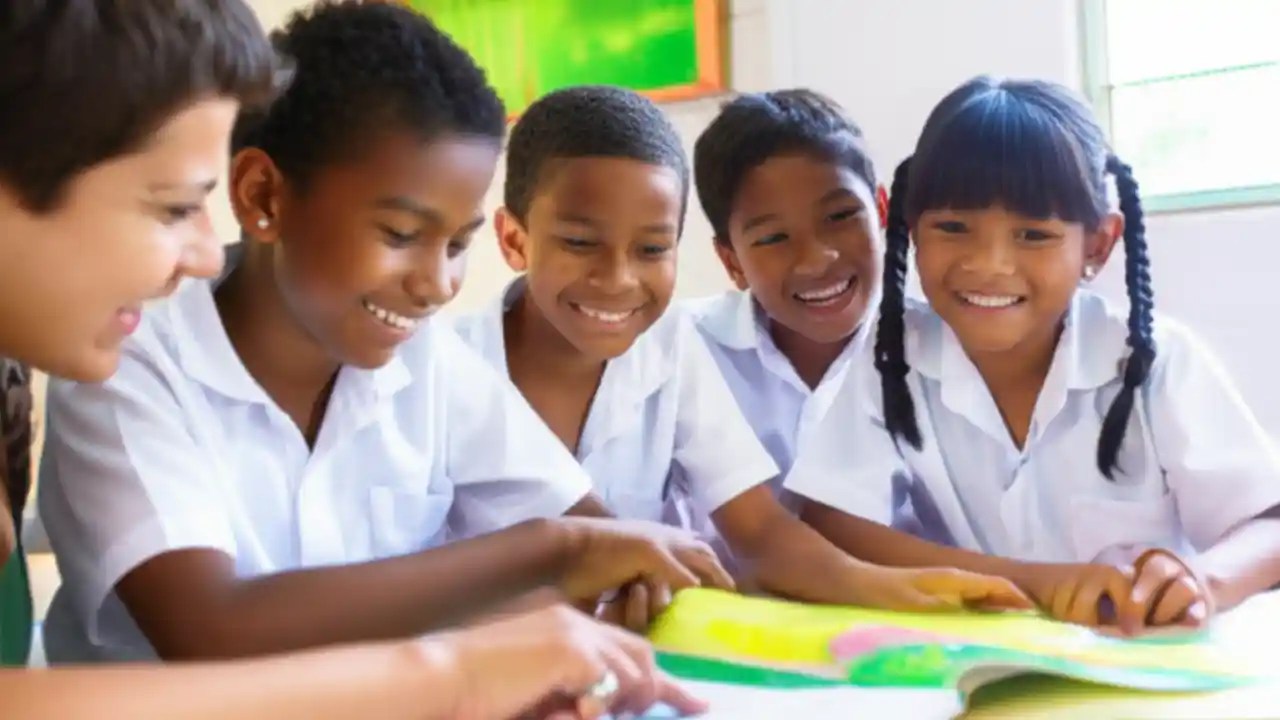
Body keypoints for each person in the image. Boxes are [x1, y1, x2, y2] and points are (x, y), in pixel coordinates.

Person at [0, 2, 705, 717]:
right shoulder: (136, 354)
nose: (436, 284)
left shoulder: (425, 357)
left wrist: (572, 592)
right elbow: (211, 628)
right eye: (171, 208)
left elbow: (595, 538)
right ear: (262, 196)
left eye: (457, 245)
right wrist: (546, 561)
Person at [454, 85, 1032, 629]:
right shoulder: (452, 368)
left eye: (652, 249)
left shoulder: (669, 349)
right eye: (581, 244)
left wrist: (894, 588)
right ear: (513, 241)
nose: (618, 279)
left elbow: (759, 530)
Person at [786, 75, 1280, 633]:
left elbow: (1268, 524)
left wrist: (1202, 581)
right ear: (911, 232)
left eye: (1033, 235)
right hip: (986, 668)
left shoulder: (1155, 360)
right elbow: (833, 521)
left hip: (1147, 656)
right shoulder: (888, 360)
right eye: (952, 227)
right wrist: (1037, 582)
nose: (990, 264)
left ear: (1097, 245)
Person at [684, 89, 886, 480]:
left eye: (841, 215)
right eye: (774, 238)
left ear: (881, 210)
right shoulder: (685, 353)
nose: (817, 260)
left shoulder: (942, 346)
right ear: (732, 262)